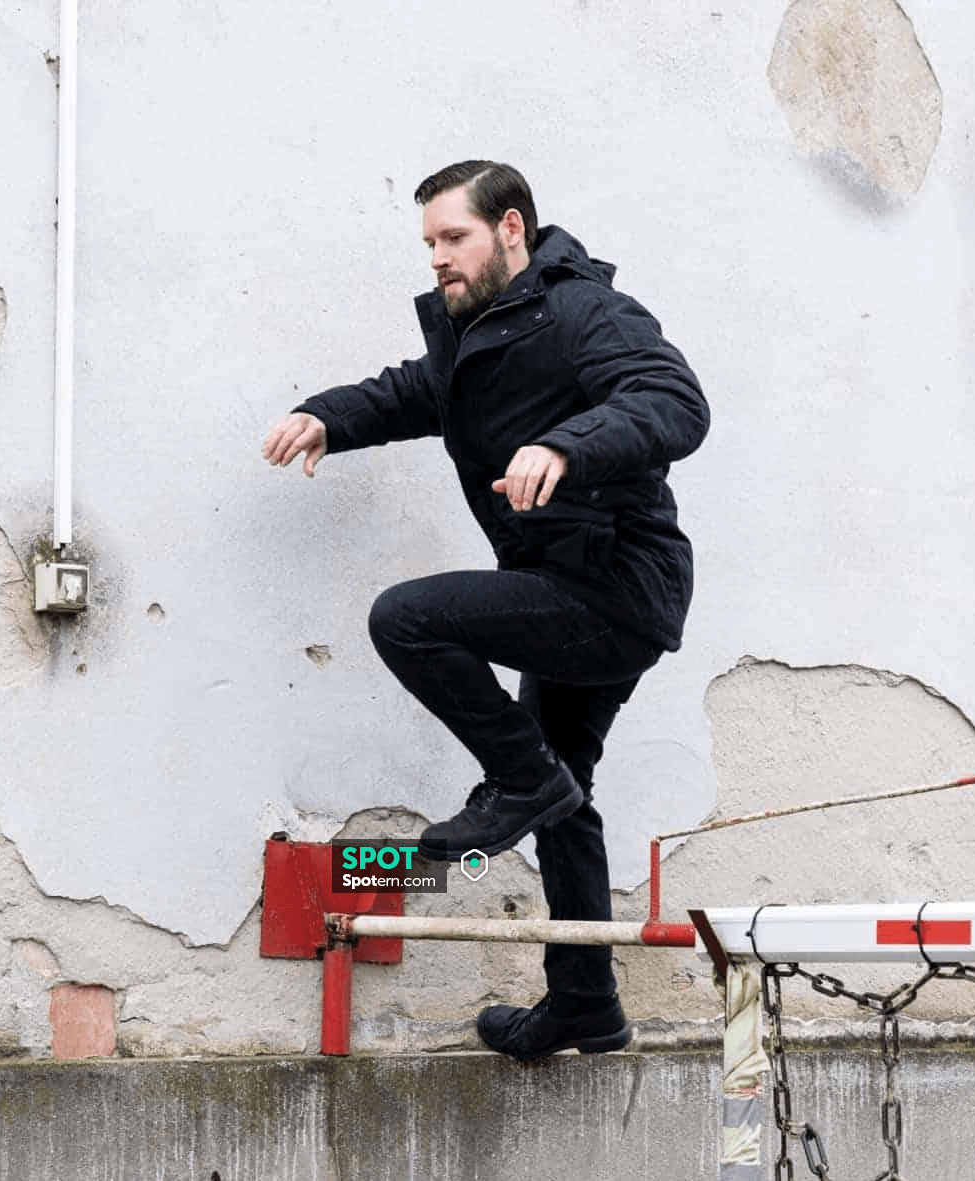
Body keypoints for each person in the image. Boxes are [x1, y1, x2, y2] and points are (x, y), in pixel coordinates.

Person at [261, 161, 708, 1059]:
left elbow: (673, 402)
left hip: (614, 586)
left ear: (511, 230)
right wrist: (326, 418)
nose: (437, 259)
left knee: (408, 618)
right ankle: (585, 1001)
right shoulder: (479, 333)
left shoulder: (586, 313)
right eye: (428, 243)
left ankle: (518, 782)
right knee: (567, 798)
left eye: (453, 238)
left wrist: (566, 445)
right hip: (572, 585)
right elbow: (416, 393)